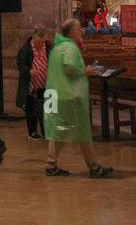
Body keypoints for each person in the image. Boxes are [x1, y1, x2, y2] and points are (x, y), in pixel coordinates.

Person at [44, 18, 113, 179]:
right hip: (70, 95)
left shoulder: (57, 47)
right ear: (73, 32)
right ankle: (94, 167)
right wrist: (85, 71)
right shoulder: (70, 47)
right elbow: (69, 67)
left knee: (57, 130)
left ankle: (51, 164)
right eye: (79, 28)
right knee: (83, 131)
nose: (81, 31)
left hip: (54, 93)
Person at [16, 26, 50, 139]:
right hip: (32, 85)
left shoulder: (49, 47)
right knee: (32, 109)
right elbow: (20, 65)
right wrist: (29, 71)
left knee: (47, 109)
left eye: (42, 42)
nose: (40, 45)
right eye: (38, 42)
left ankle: (47, 131)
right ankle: (33, 132)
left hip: (47, 84)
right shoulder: (25, 49)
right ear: (33, 39)